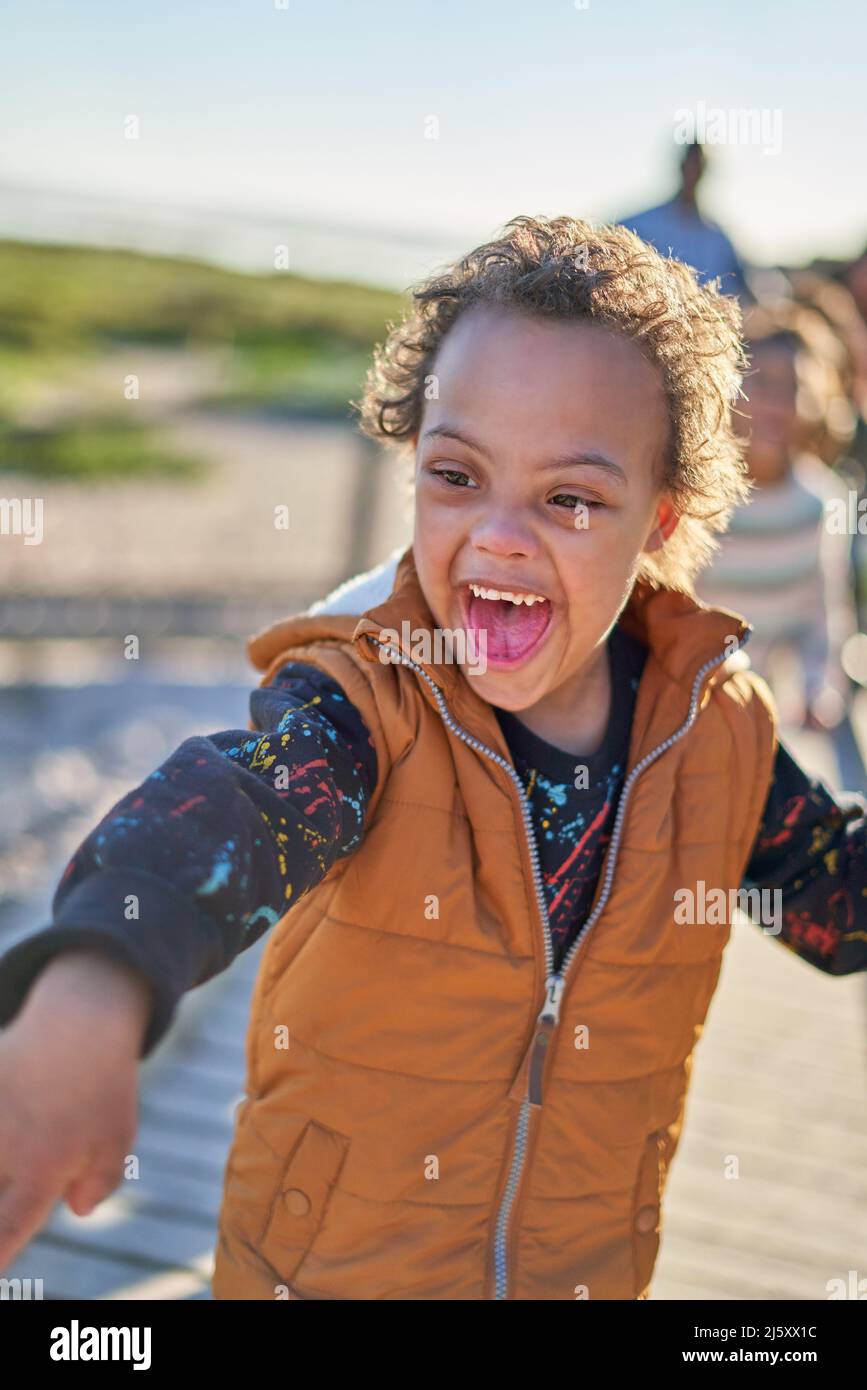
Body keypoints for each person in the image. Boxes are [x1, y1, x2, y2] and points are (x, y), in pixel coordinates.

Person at [0, 216, 866, 1302]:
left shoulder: (718, 734)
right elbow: (230, 815)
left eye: (569, 498)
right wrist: (96, 984)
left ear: (662, 520)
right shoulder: (368, 707)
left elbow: (836, 898)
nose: (499, 534)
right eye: (458, 475)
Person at [694, 303, 858, 731]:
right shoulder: (701, 499)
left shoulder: (822, 501)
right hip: (691, 708)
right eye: (762, 385)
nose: (776, 404)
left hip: (767, 716)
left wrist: (820, 689)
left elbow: (825, 616)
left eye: (793, 388)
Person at [620, 140, 750, 302]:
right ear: (681, 167)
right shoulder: (639, 226)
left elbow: (744, 288)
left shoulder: (719, 239)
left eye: (699, 167)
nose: (694, 173)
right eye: (691, 166)